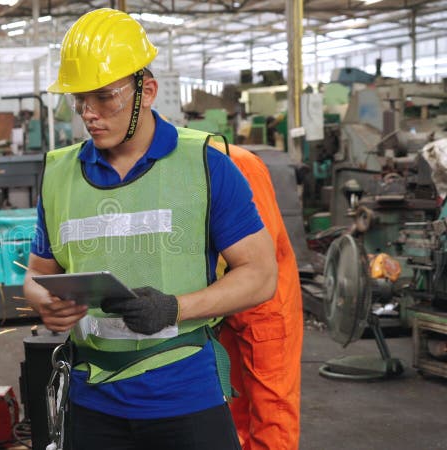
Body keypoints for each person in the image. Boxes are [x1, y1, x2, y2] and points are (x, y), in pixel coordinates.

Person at [23, 8, 277, 450]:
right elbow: (37, 273)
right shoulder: (59, 174)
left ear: (148, 90)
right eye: (78, 100)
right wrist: (45, 302)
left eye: (105, 97)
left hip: (184, 396)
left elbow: (260, 276)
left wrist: (176, 307)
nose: (89, 114)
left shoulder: (206, 166)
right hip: (92, 398)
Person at [213, 143, 304, 450]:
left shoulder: (236, 164)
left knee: (271, 411)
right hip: (225, 300)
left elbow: (259, 251)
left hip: (265, 305)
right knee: (234, 404)